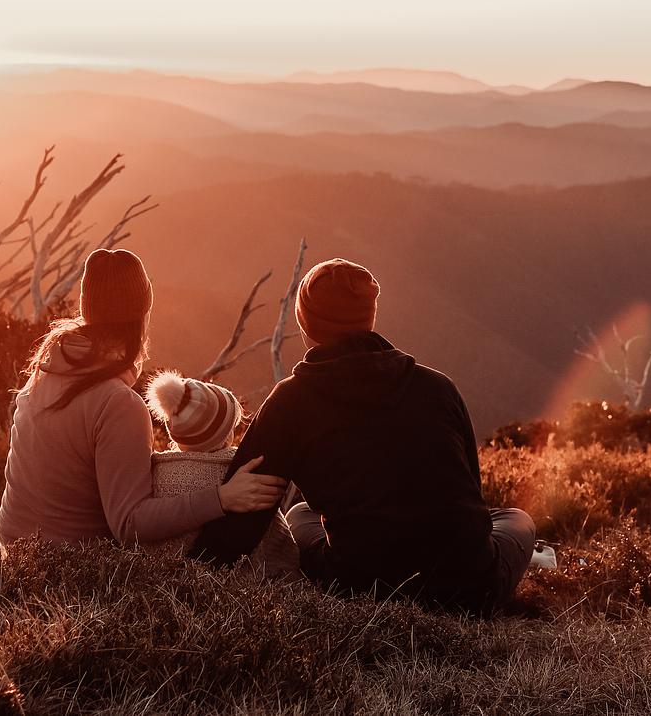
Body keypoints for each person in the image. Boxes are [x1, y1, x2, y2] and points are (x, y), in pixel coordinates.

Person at [190, 258, 536, 617]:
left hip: (362, 586)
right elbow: (469, 496)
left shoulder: (291, 402)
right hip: (470, 588)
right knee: (515, 518)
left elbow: (249, 505)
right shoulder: (438, 388)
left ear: (305, 323)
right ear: (369, 317)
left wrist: (196, 569)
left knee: (298, 518)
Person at [0, 248, 286, 552]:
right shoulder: (118, 403)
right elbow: (130, 524)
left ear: (87, 310)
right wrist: (222, 497)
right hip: (71, 568)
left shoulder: (46, 371)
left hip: (13, 553)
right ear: (142, 316)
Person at [142, 370, 300, 577]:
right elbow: (277, 543)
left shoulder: (155, 471)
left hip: (158, 580)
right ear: (225, 433)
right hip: (237, 587)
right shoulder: (240, 473)